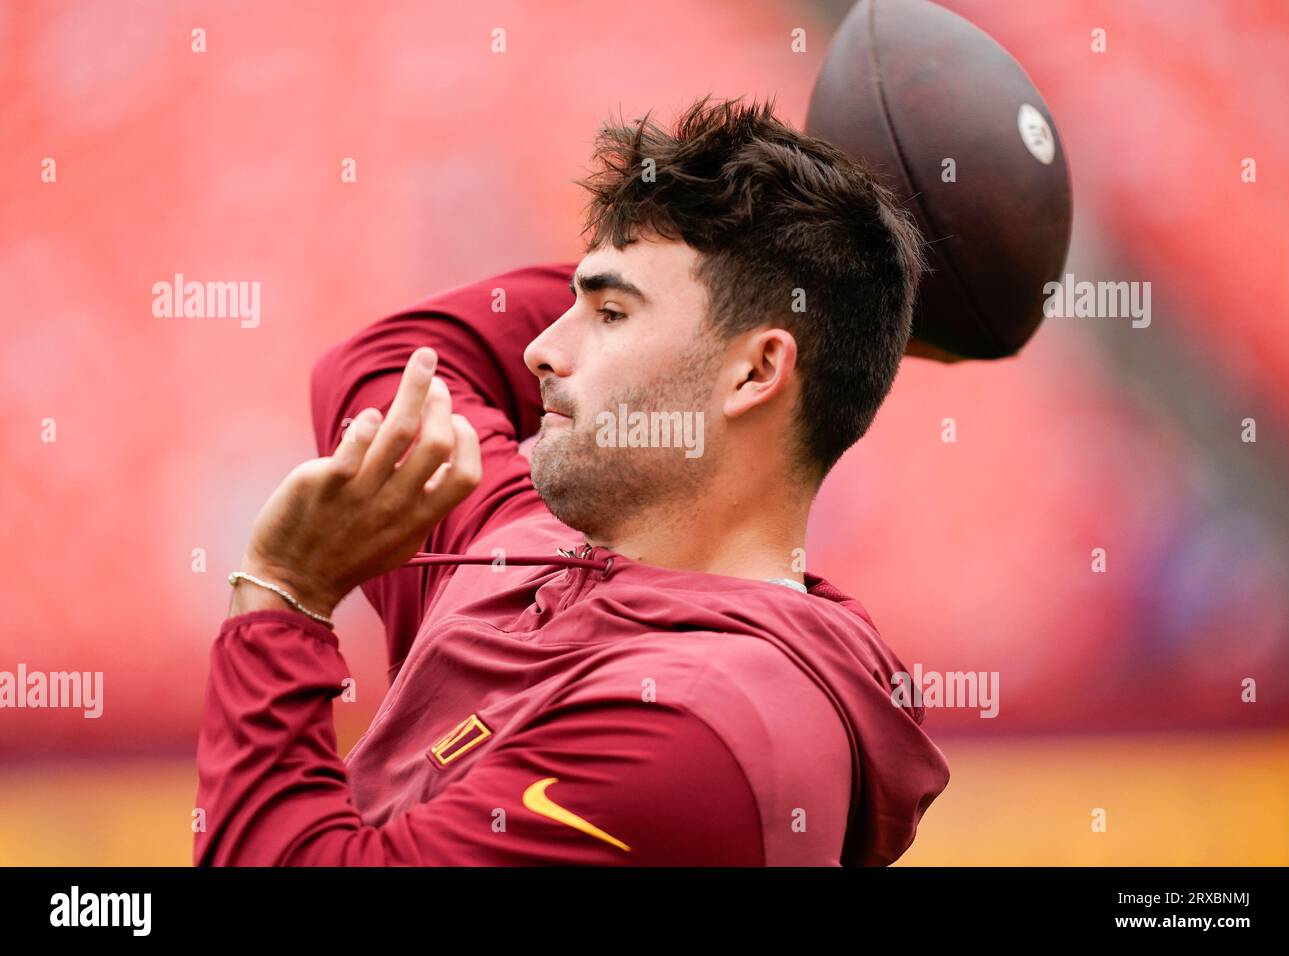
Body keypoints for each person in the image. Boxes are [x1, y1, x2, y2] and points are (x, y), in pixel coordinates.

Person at [195, 96, 950, 866]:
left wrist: (281, 594)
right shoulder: (516, 549)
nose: (540, 351)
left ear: (756, 370)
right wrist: (836, 298)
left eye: (612, 313)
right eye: (573, 303)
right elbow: (396, 356)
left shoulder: (698, 727)